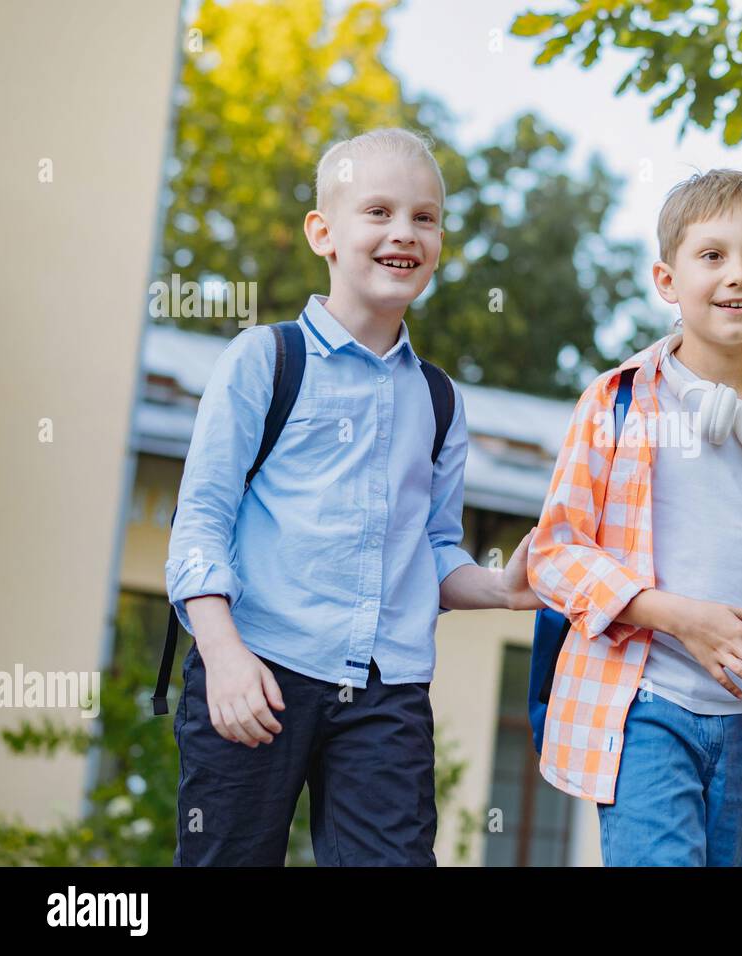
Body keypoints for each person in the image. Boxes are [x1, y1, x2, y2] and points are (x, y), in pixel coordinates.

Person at [165, 128, 542, 866]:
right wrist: (224, 654)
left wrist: (501, 587)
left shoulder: (439, 401)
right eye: (378, 212)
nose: (404, 232)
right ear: (324, 233)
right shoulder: (264, 361)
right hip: (256, 666)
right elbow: (200, 523)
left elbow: (429, 553)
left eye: (424, 218)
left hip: (384, 695)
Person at [527, 168, 742, 866]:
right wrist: (675, 615)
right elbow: (555, 552)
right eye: (712, 256)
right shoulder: (617, 404)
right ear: (667, 280)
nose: (738, 275)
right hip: (644, 710)